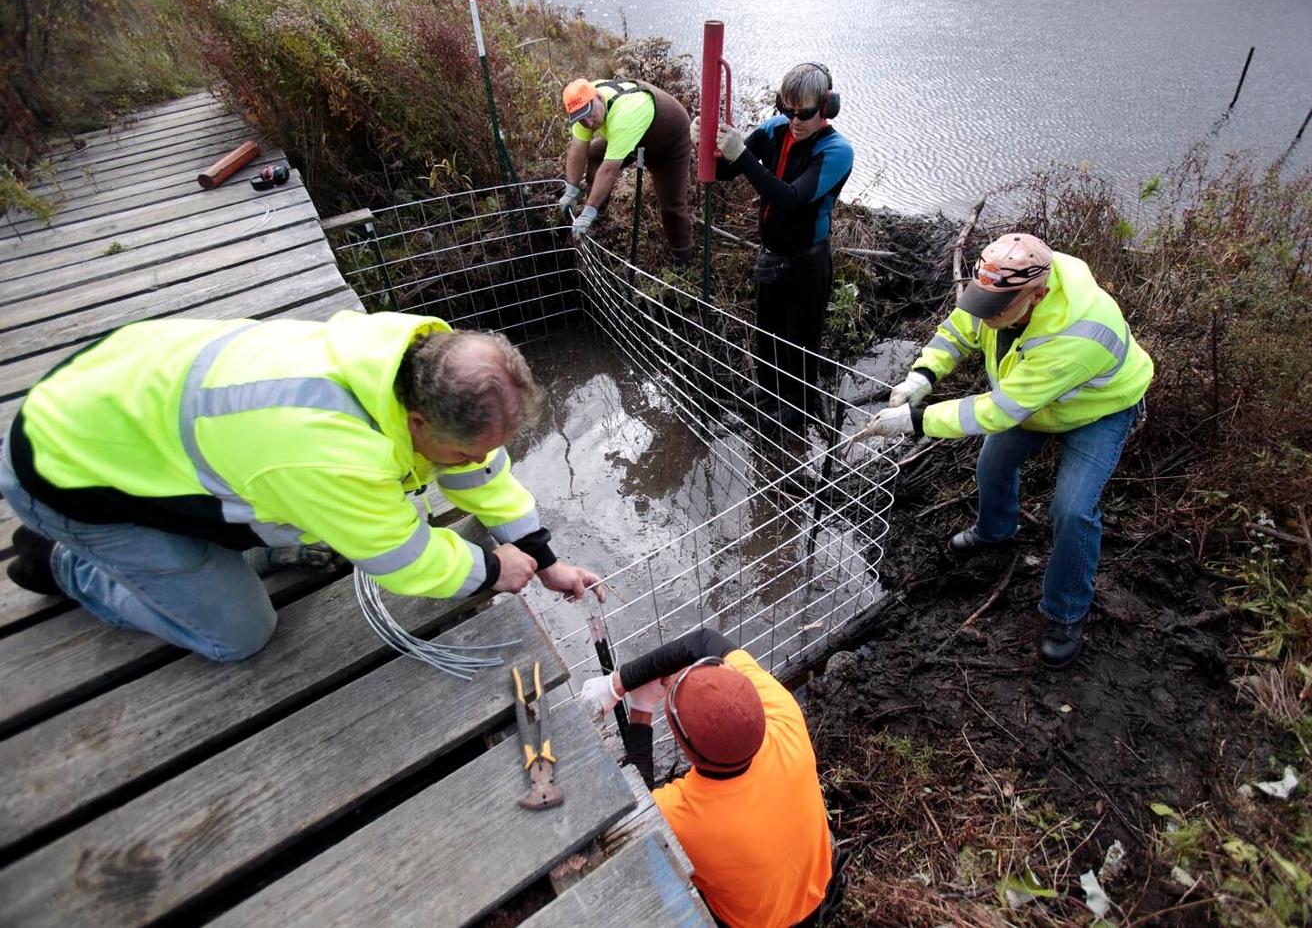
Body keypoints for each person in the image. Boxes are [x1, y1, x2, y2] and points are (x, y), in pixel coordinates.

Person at [0, 311, 604, 662]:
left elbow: (479, 471)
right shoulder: (331, 452)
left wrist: (543, 556)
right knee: (240, 635)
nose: (481, 461)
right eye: (469, 451)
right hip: (67, 469)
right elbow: (405, 559)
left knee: (297, 517)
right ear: (419, 424)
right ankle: (63, 562)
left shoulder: (409, 363)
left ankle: (232, 548)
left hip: (129, 405)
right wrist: (493, 569)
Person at [859, 233, 1153, 668]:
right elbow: (959, 328)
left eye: (996, 308)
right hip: (1034, 401)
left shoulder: (1078, 333)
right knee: (992, 463)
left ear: (1038, 295)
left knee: (1072, 510)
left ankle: (1065, 612)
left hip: (1099, 409)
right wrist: (922, 374)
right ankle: (996, 530)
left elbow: (999, 411)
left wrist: (916, 421)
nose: (987, 314)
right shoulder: (1002, 289)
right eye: (985, 301)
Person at [579, 627, 845, 928]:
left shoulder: (681, 816)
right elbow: (705, 640)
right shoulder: (786, 717)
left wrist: (639, 706)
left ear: (690, 752)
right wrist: (622, 680)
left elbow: (636, 809)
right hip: (822, 888)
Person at [692, 62, 854, 430]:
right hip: (772, 253)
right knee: (768, 330)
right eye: (788, 110)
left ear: (826, 107)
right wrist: (702, 142)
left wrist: (743, 155)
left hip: (808, 261)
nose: (795, 120)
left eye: (805, 113)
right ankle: (769, 390)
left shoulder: (836, 151)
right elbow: (727, 172)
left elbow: (791, 198)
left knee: (801, 338)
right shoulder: (774, 129)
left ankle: (798, 407)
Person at [558, 76, 693, 264]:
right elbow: (578, 149)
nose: (588, 123)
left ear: (597, 97)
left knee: (671, 205)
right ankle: (598, 218)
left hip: (669, 141)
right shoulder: (585, 106)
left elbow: (609, 170)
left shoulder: (625, 113)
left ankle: (683, 258)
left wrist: (587, 212)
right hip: (633, 136)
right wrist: (570, 190)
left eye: (589, 114)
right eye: (581, 119)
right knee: (595, 153)